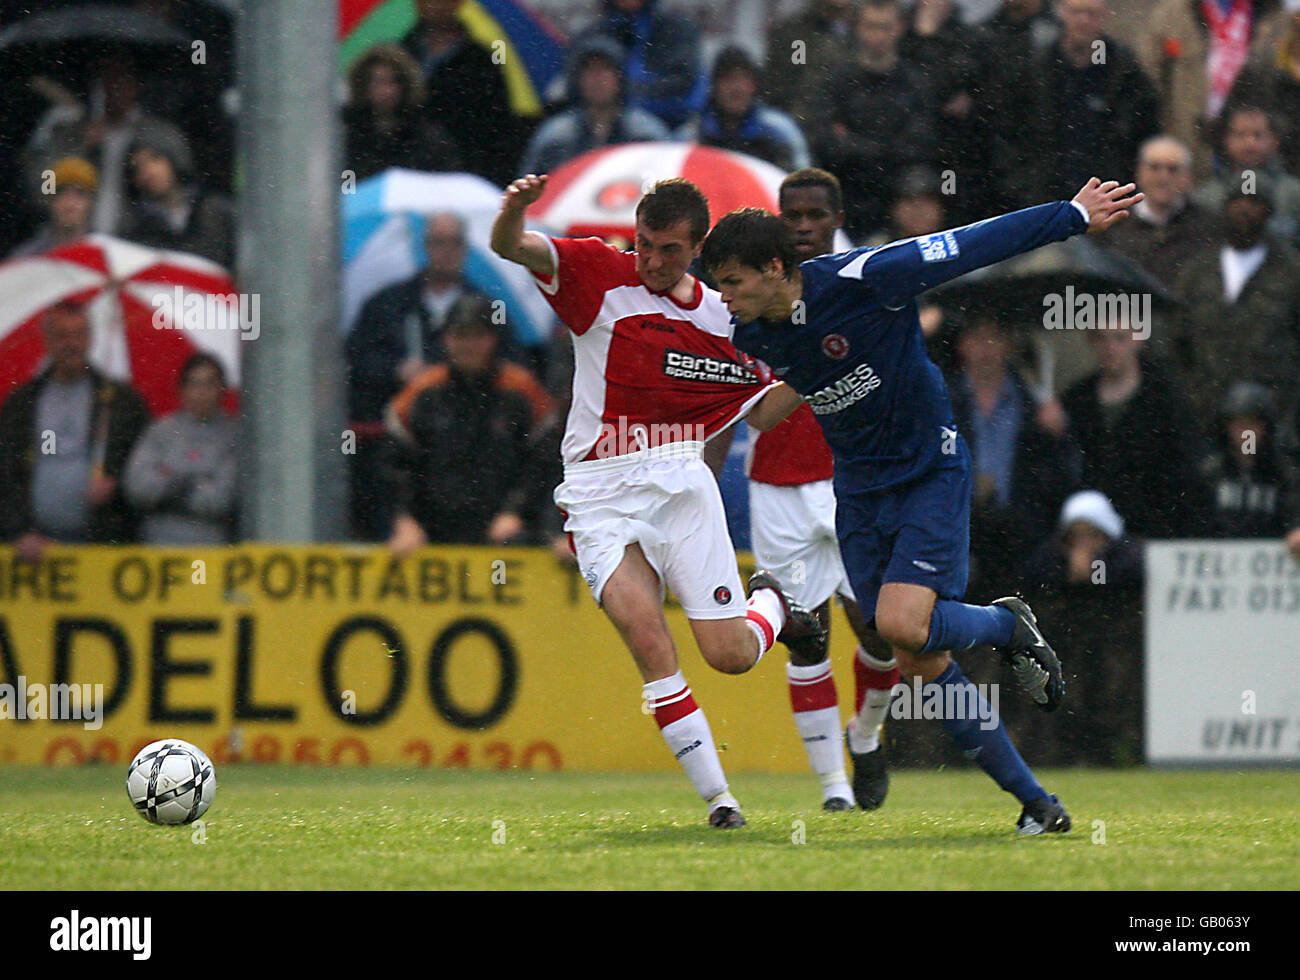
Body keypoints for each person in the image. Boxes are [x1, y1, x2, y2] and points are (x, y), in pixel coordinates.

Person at [700, 177, 1149, 835]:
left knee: (904, 625)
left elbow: (971, 245)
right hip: (857, 490)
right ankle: (1038, 806)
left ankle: (1002, 627)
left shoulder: (865, 277)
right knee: (911, 650)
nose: (722, 296)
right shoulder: (747, 325)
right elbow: (739, 383)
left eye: (732, 281)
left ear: (774, 269)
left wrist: (1072, 215)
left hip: (927, 472)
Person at [491, 173, 824, 829]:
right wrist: (511, 213)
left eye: (668, 250)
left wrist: (822, 370)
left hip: (679, 481)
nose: (650, 260)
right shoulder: (595, 271)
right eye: (644, 244)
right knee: (647, 639)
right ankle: (721, 802)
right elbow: (512, 247)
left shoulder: (725, 316)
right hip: (596, 491)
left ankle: (775, 606)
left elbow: (760, 415)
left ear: (697, 248)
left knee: (729, 657)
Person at [752, 168, 899, 812]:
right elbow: (734, 395)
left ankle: (863, 737)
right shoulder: (752, 288)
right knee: (806, 634)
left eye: (815, 213)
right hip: (778, 486)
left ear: (838, 215)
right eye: (793, 215)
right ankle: (834, 790)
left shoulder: (866, 281)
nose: (804, 224)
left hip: (854, 478)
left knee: (880, 631)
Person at [345, 213, 512, 539]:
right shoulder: (387, 304)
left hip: (472, 455)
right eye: (438, 242)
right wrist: (394, 370)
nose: (446, 251)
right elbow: (355, 361)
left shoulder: (489, 308)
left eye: (454, 243)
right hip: (400, 446)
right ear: (425, 246)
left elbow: (508, 369)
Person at [384, 297, 560, 549]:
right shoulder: (421, 393)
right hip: (432, 535)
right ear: (445, 339)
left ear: (493, 339)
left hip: (511, 537)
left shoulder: (522, 390)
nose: (467, 345)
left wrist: (518, 513)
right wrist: (405, 520)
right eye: (458, 336)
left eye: (477, 336)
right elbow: (396, 467)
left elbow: (544, 465)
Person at [0, 302, 151, 560]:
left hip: (100, 546)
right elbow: (6, 473)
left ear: (90, 338)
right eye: (62, 335)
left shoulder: (119, 400)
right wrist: (19, 531)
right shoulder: (22, 403)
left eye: (78, 334)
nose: (71, 344)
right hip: (33, 546)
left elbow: (144, 464)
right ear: (47, 340)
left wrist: (116, 483)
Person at [1061, 314, 1215, 538]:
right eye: (1101, 338)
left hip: (1154, 526)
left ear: (1138, 339)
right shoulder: (1077, 401)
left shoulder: (1166, 397)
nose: (1110, 347)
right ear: (1091, 341)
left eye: (1119, 338)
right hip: (1096, 530)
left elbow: (1186, 465)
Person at [1173, 177, 1300, 424]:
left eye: (1254, 202)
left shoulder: (1291, 273)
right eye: (1238, 201)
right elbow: (1179, 339)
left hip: (1274, 415)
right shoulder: (1197, 272)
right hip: (1206, 410)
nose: (1245, 209)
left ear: (1269, 211)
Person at [809, 0, 940, 239]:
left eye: (885, 27)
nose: (878, 36)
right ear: (857, 27)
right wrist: (885, 148)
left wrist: (854, 144)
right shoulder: (836, 81)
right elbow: (825, 142)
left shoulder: (916, 82)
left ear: (900, 28)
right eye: (871, 26)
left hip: (898, 199)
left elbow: (919, 144)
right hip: (846, 196)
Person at [1023, 0, 1161, 202]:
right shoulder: (1039, 67)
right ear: (1061, 13)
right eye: (1077, 12)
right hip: (1047, 193)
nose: (1084, 21)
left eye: (1092, 14)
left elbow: (1143, 130)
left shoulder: (1122, 70)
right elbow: (1016, 130)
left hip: (1106, 194)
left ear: (1105, 16)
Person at [1141, 0, 1285, 179]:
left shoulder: (1271, 13)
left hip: (1253, 147)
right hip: (1187, 139)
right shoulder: (1174, 13)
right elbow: (1150, 79)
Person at [123, 353, 239, 544]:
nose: (201, 392)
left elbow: (221, 498)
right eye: (194, 384)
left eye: (209, 384)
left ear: (222, 389)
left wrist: (168, 484)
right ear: (182, 389)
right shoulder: (159, 432)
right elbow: (136, 486)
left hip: (213, 550)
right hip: (158, 548)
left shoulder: (234, 436)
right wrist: (196, 483)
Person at [401, 0, 519, 185]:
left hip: (467, 169)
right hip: (411, 167)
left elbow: (496, 126)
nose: (437, 6)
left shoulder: (480, 60)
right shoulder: (402, 54)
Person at [520, 38, 670, 178]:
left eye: (605, 70)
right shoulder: (556, 138)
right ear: (577, 79)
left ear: (620, 78)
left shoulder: (646, 135)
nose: (597, 79)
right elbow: (529, 192)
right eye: (590, 70)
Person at [1094, 135, 1219, 290]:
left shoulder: (1208, 227)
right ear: (1139, 173)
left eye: (1173, 169)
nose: (1163, 178)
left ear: (1188, 177)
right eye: (1154, 168)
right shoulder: (1113, 224)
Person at [568, 0, 706, 129]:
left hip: (670, 124)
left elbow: (682, 81)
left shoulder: (676, 28)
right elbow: (575, 87)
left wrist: (628, 95)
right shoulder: (592, 35)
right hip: (601, 124)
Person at [674, 47, 811, 173]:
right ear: (714, 86)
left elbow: (799, 178)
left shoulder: (779, 130)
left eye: (743, 80)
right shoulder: (693, 134)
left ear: (755, 86)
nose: (736, 89)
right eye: (728, 80)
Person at [343, 44, 462, 180]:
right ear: (363, 85)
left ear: (405, 85)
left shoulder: (428, 140)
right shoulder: (345, 136)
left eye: (393, 82)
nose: (386, 91)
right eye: (378, 82)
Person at [120, 129, 235, 268]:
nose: (148, 172)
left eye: (155, 159)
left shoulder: (215, 211)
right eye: (137, 168)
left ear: (174, 158)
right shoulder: (137, 230)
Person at [1191, 104, 1300, 242]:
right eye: (1240, 135)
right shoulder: (1205, 197)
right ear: (1227, 140)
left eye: (1258, 135)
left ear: (1274, 141)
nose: (1249, 143)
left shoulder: (1294, 194)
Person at [1205, 382, 1295, 538]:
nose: (1246, 433)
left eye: (1252, 425)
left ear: (1267, 427)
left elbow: (1293, 513)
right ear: (1225, 427)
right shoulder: (1211, 472)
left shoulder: (1283, 473)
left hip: (1270, 557)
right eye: (1240, 424)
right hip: (1219, 556)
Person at [7, 157, 97, 259]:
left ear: (91, 201)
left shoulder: (108, 255)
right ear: (50, 200)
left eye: (80, 194)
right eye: (61, 193)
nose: (70, 204)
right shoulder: (25, 259)